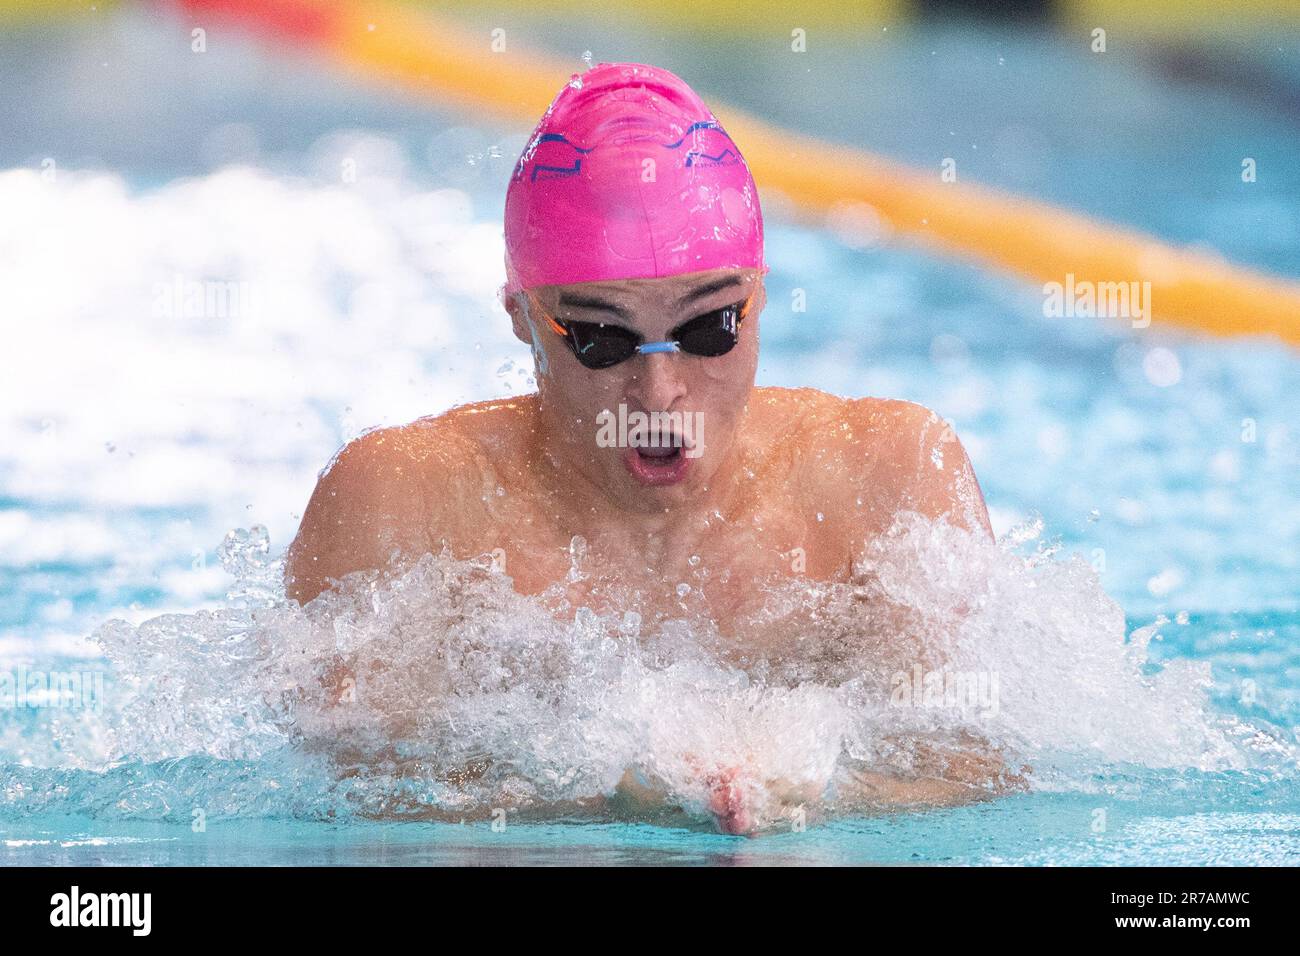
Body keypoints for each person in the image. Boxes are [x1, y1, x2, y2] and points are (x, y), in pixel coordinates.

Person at [285, 62, 1010, 833]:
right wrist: (602, 803)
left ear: (758, 299)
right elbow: (345, 796)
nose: (661, 395)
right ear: (521, 318)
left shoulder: (887, 479)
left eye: (709, 330)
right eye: (603, 340)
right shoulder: (408, 503)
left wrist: (814, 792)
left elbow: (981, 761)